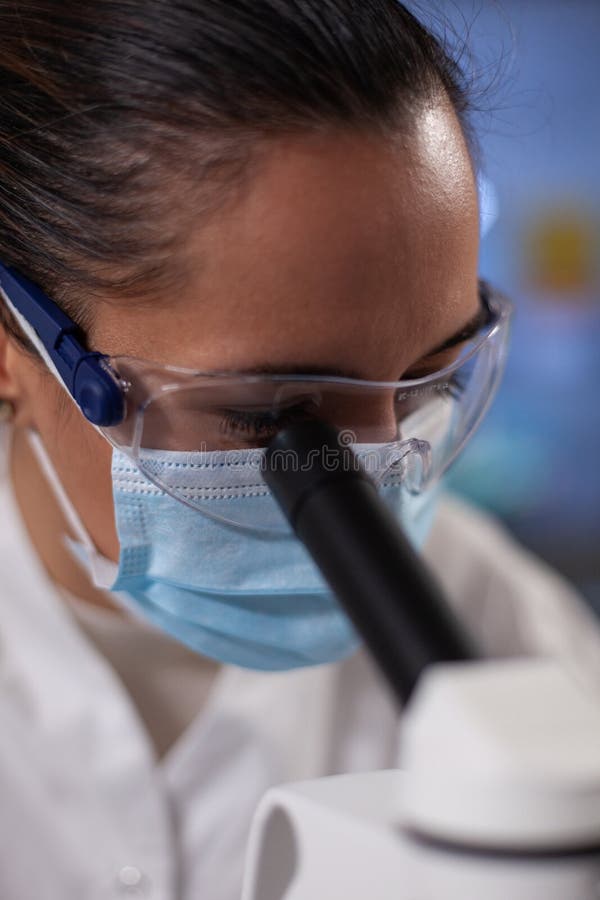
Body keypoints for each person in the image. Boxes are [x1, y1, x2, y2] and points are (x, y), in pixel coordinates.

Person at [0, 2, 598, 898]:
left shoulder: (520, 653)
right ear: (14, 348)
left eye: (428, 383)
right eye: (275, 417)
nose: (383, 473)